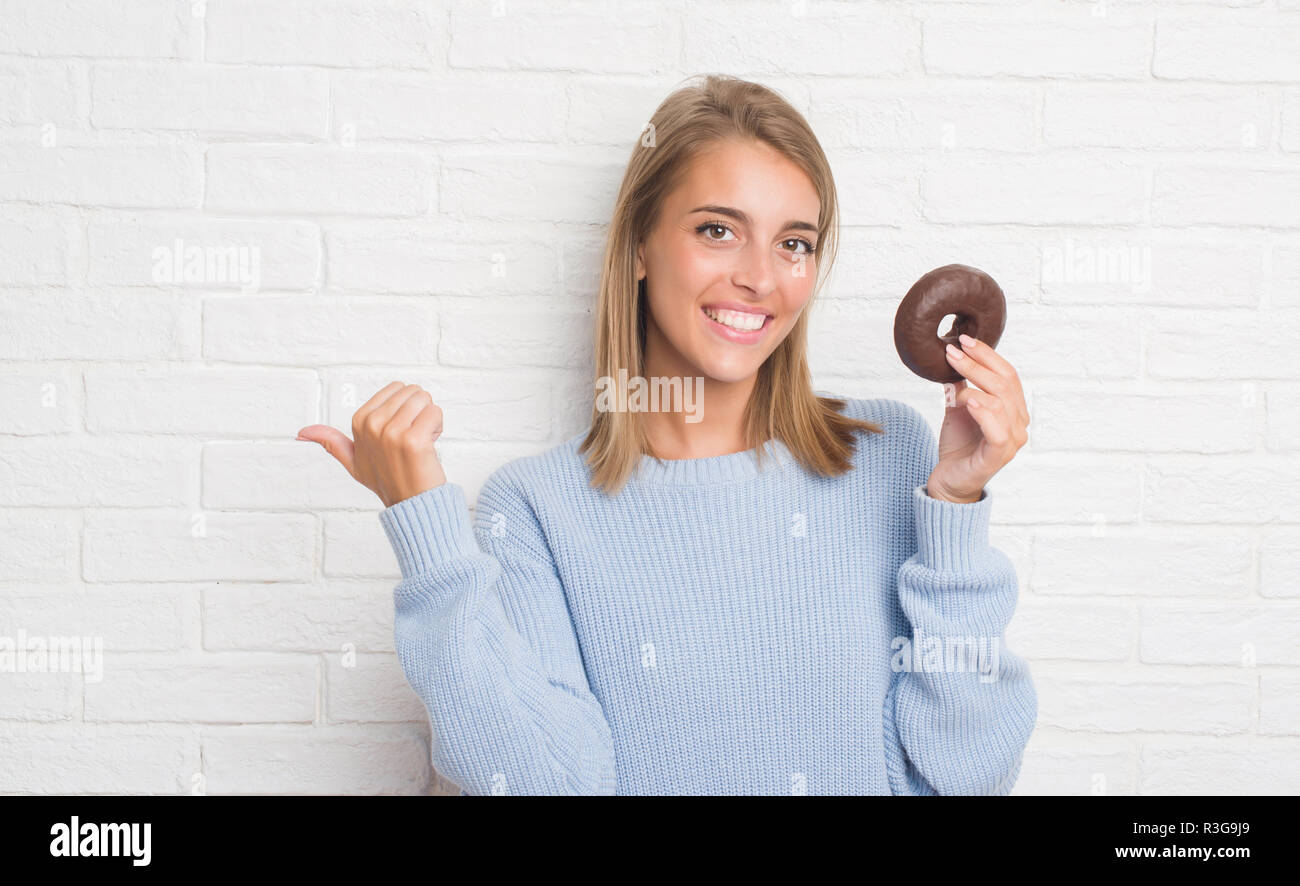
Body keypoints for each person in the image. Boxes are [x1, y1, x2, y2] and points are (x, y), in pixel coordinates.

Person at [297, 74, 1036, 795]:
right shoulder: (535, 509)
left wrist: (954, 509)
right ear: (641, 247)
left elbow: (970, 777)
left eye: (794, 243)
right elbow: (542, 784)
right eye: (718, 230)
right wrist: (432, 543)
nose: (760, 277)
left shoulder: (888, 456)